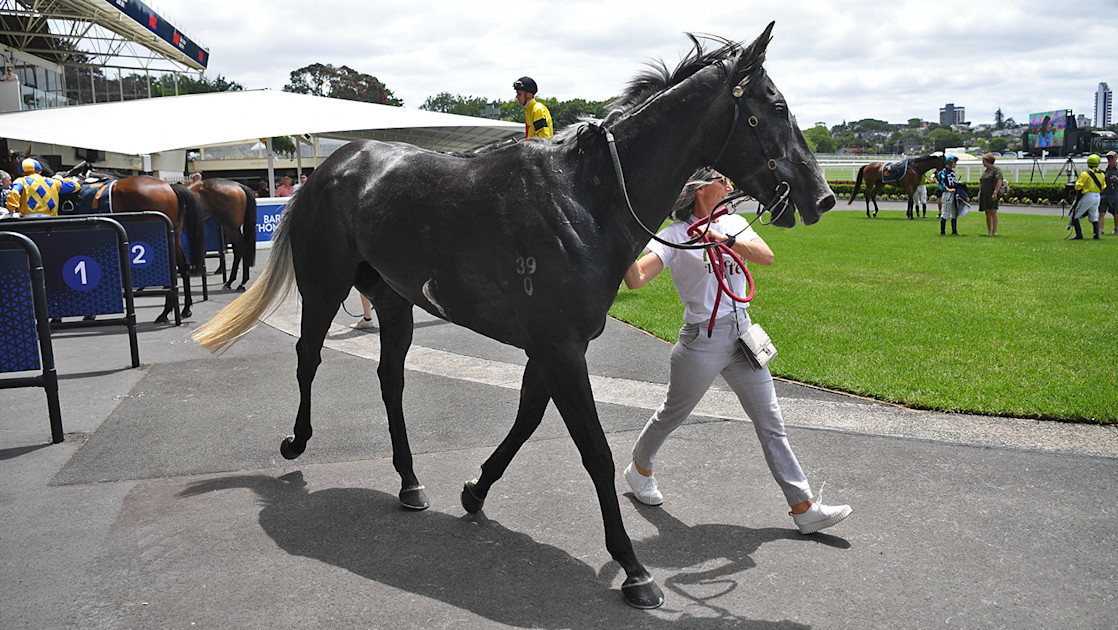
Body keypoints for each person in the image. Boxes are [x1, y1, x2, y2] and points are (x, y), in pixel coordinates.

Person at [621, 167, 852, 535]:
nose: (730, 185)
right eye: (722, 179)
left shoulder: (734, 223)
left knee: (771, 423)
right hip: (702, 340)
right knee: (672, 414)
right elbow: (636, 279)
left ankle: (803, 506)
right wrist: (623, 237)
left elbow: (765, 256)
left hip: (742, 334)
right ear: (700, 188)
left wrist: (722, 238)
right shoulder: (674, 235)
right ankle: (640, 467)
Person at [5, 158, 80, 218]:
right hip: (50, 218)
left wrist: (12, 208)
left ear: (22, 173)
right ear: (39, 171)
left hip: (29, 217)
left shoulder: (21, 180)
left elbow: (14, 192)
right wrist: (61, 179)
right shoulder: (53, 182)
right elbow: (76, 186)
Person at [1069, 153, 1106, 240]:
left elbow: (1078, 186)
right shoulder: (1101, 174)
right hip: (1097, 196)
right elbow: (1104, 186)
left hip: (1088, 196)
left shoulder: (1085, 173)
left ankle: (1079, 235)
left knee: (1074, 215)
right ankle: (1096, 235)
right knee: (1093, 216)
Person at [513, 76, 553, 141]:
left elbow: (543, 138)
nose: (516, 97)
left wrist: (525, 142)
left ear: (529, 95)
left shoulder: (537, 109)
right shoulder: (529, 111)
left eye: (519, 94)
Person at [935, 155, 967, 235]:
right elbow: (941, 184)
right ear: (950, 163)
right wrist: (948, 189)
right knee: (946, 212)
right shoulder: (942, 172)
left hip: (954, 194)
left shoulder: (952, 172)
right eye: (954, 162)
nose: (955, 164)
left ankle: (954, 230)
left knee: (955, 212)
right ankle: (943, 231)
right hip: (947, 194)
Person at [978, 153, 1004, 236]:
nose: (983, 163)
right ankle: (989, 231)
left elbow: (999, 180)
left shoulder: (996, 170)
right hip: (985, 194)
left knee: (993, 211)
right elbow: (982, 183)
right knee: (987, 212)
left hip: (992, 193)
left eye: (984, 161)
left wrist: (995, 192)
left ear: (988, 161)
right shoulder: (986, 171)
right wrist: (979, 192)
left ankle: (994, 231)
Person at [1102, 151, 1118, 235]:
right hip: (1106, 194)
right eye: (1108, 158)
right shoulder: (1106, 170)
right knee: (1101, 212)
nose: (1110, 160)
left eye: (1112, 158)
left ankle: (1116, 229)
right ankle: (1100, 230)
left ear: (1116, 158)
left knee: (1116, 213)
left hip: (1116, 194)